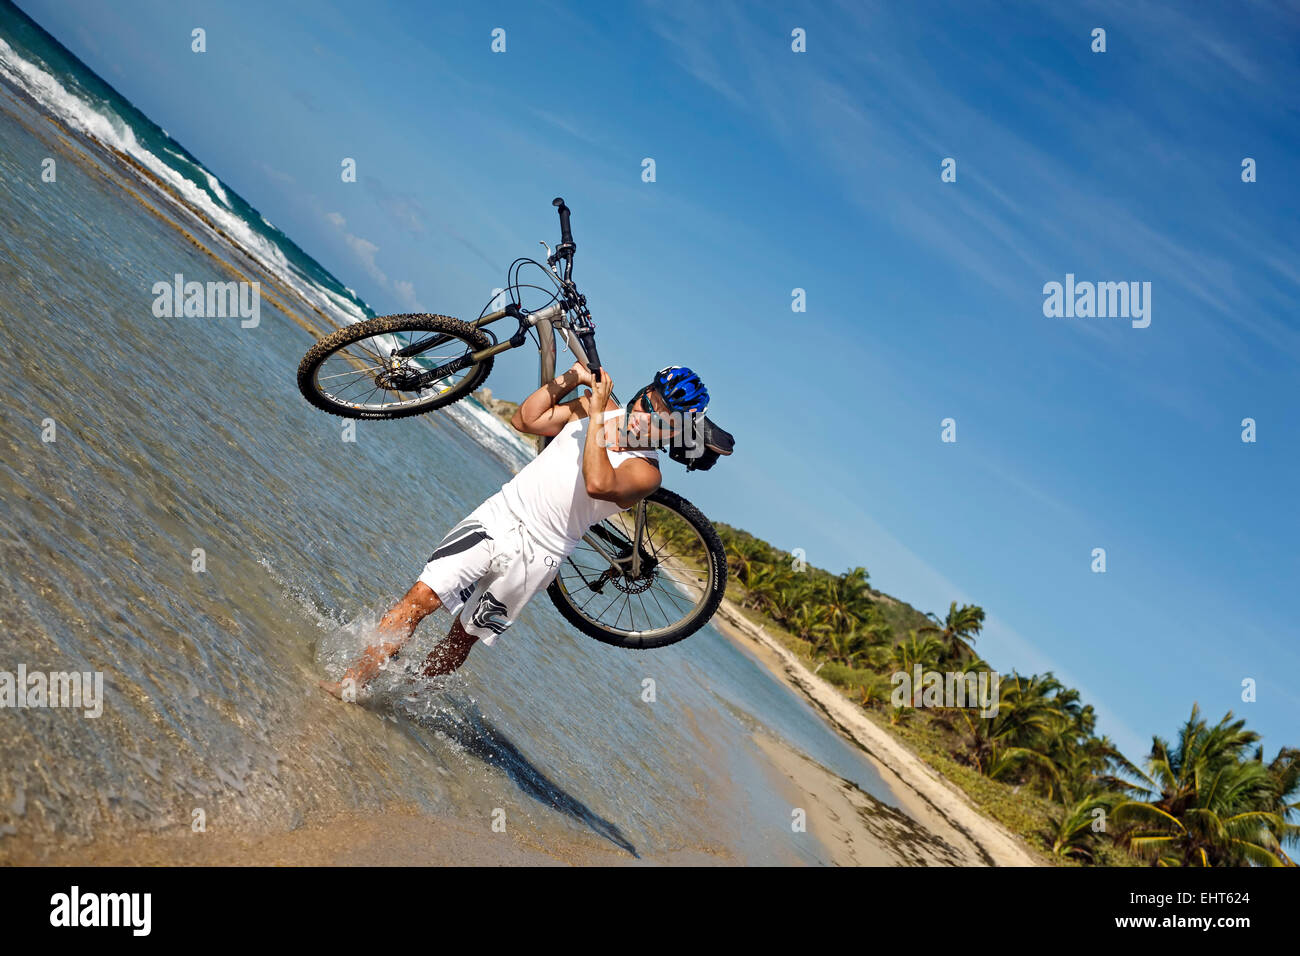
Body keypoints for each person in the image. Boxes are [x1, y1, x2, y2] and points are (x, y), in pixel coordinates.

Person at [319, 362, 710, 698]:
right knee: (421, 597)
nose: (645, 415)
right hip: (500, 515)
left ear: (674, 430)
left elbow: (597, 482)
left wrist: (595, 418)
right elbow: (526, 420)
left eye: (661, 416)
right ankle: (351, 683)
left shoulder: (645, 472)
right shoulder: (598, 409)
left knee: (461, 639)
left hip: (538, 556)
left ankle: (408, 698)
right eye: (648, 401)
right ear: (642, 391)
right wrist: (571, 379)